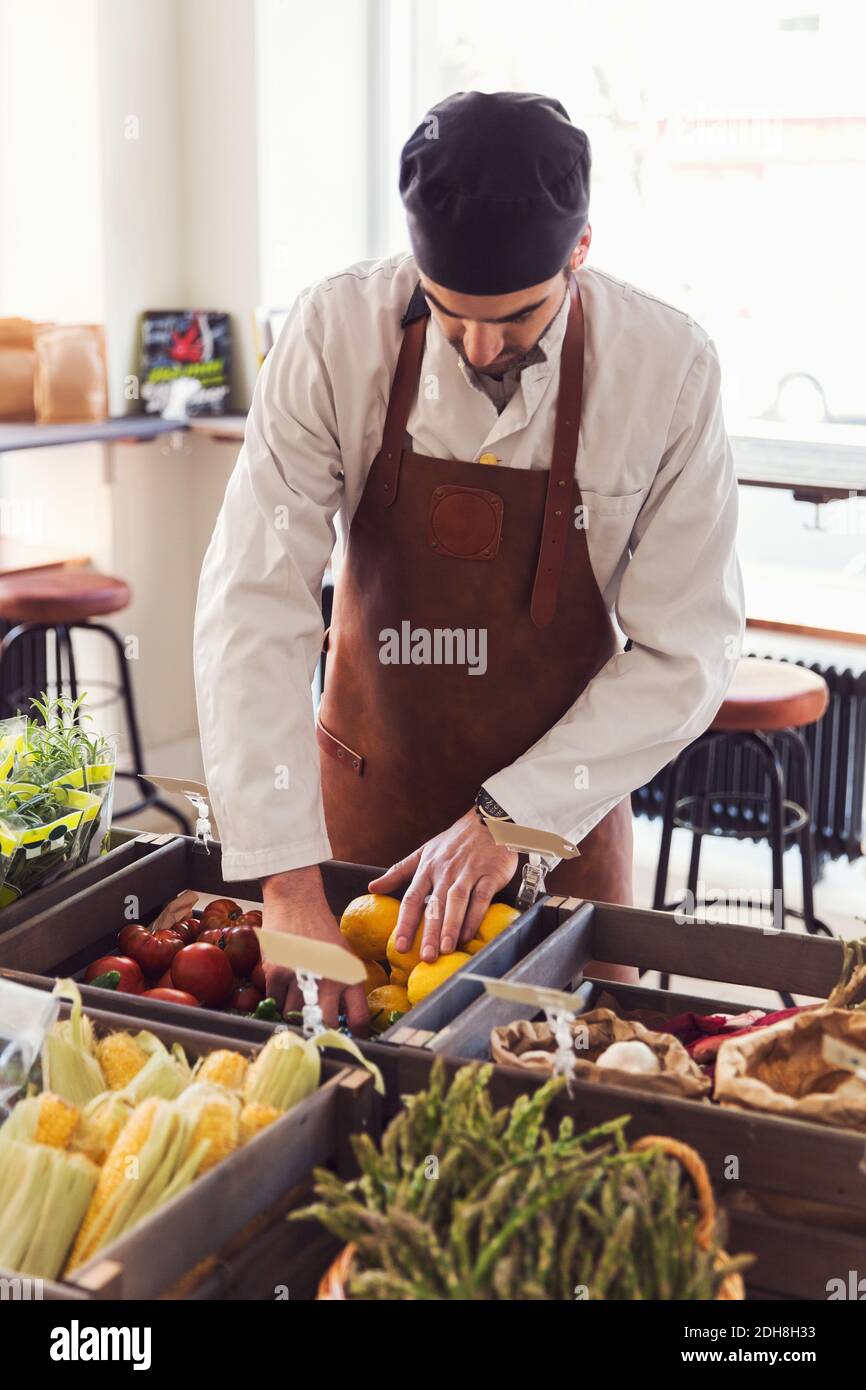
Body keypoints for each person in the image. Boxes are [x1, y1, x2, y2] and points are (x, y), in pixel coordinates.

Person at [194, 91, 744, 1026]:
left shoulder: (667, 369)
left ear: (580, 251)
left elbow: (685, 648)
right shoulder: (334, 335)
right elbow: (254, 602)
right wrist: (284, 878)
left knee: (567, 1100)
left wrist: (508, 823)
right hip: (358, 817)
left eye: (518, 317)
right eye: (449, 316)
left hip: (558, 828)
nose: (482, 348)